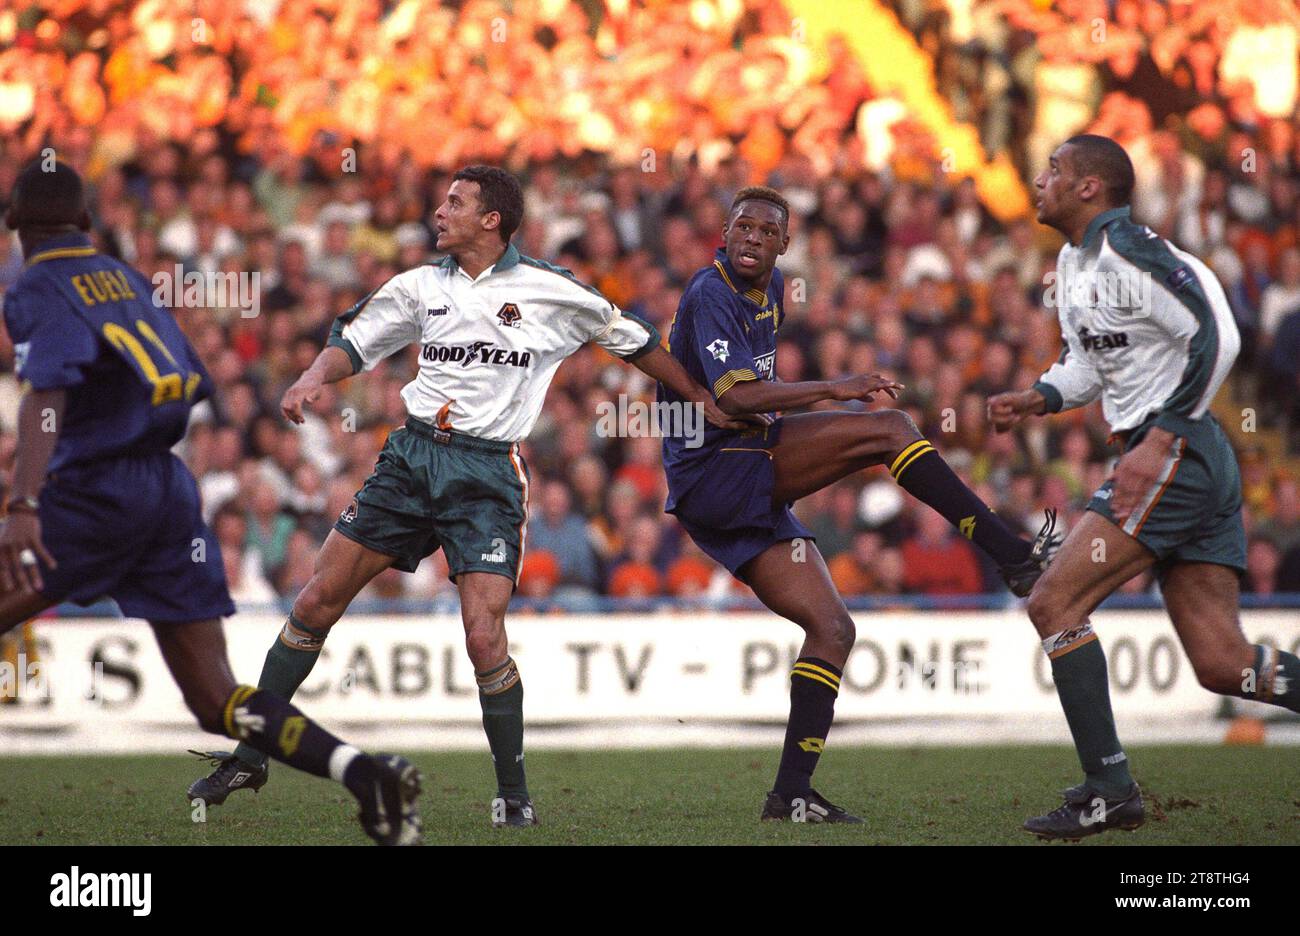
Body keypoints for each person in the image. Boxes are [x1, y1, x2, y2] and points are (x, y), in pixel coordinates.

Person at [189, 165, 753, 826]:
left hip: (486, 476)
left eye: (455, 202)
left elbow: (636, 342)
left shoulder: (552, 291)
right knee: (315, 599)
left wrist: (701, 401)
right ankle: (252, 751)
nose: (439, 211)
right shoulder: (418, 286)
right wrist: (312, 377)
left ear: (493, 219)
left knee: (484, 637)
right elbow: (353, 342)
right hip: (411, 458)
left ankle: (513, 795)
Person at [0, 160, 420, 845]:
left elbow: (46, 396)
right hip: (165, 490)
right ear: (84, 222)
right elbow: (189, 379)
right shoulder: (125, 277)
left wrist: (22, 503)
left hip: (92, 492)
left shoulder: (39, 284)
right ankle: (362, 772)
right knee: (214, 697)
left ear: (14, 225)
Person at [658, 186, 1058, 823]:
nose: (753, 238)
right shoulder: (711, 292)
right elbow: (735, 398)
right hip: (716, 471)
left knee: (834, 629)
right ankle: (1011, 554)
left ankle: (790, 794)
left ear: (785, 244)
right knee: (889, 428)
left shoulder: (774, 290)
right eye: (743, 227)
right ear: (725, 234)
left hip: (742, 479)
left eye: (767, 230)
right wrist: (834, 389)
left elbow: (746, 402)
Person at [987, 134, 1300, 841]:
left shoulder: (1130, 249)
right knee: (1223, 664)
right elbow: (1089, 366)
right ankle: (1110, 786)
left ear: (1091, 188)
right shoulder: (1073, 264)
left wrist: (1160, 435)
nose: (1040, 181)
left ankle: (1108, 787)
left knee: (1053, 600)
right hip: (1186, 460)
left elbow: (1217, 336)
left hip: (1173, 455)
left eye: (1054, 171)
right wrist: (1037, 397)